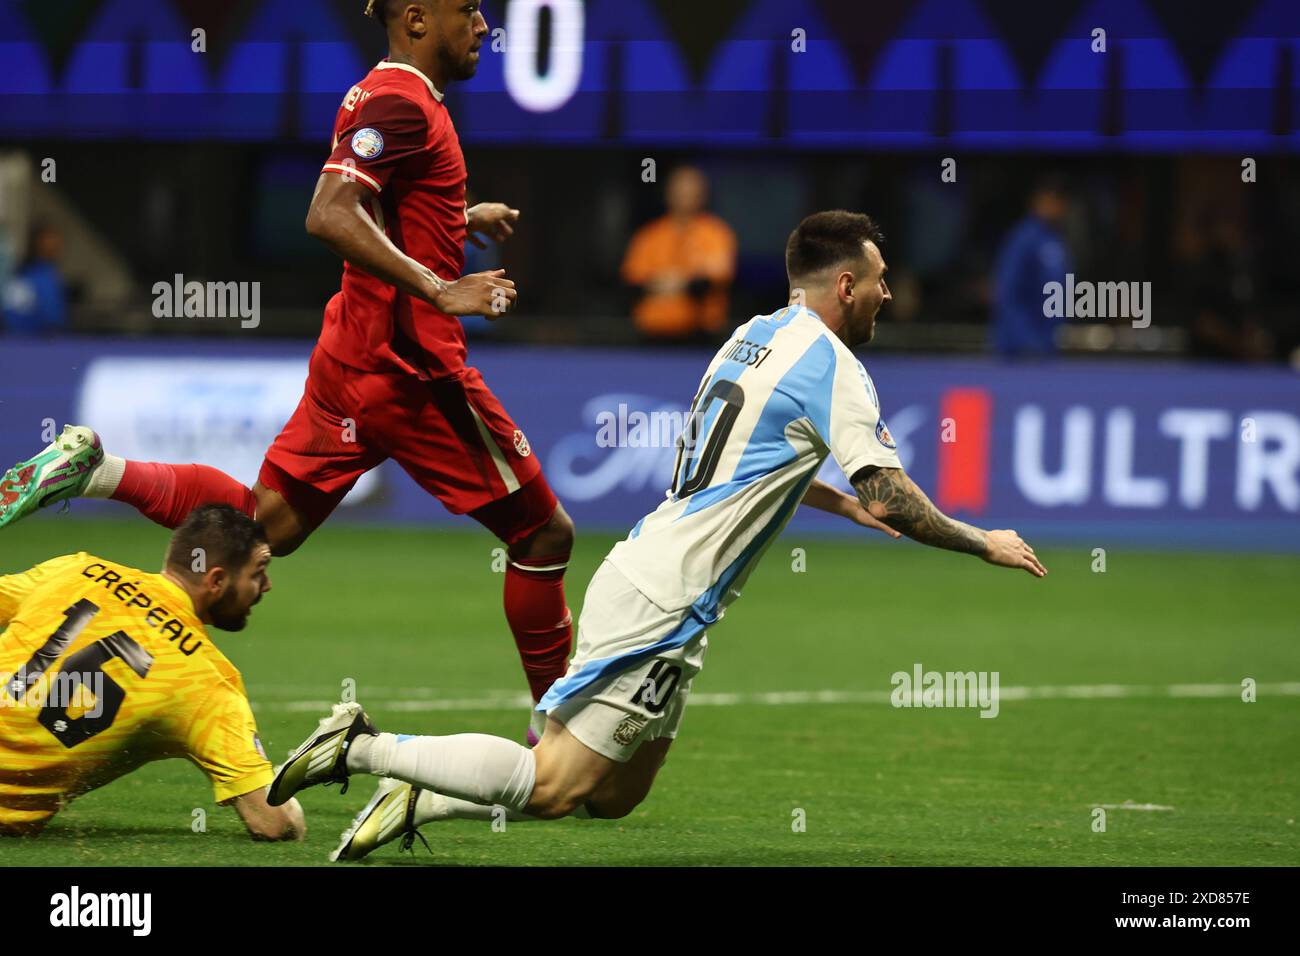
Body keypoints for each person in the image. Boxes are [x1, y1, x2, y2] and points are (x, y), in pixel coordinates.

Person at [266, 211, 1047, 861]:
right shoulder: (835, 365)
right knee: (555, 785)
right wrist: (981, 540)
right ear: (846, 285)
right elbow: (893, 490)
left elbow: (752, 461)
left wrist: (841, 508)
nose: (884, 294)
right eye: (877, 280)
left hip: (654, 578)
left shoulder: (755, 335)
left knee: (614, 798)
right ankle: (362, 745)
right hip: (665, 600)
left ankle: (422, 796)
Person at [0, 0, 575, 744]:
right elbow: (329, 213)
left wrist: (456, 219)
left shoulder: (390, 97)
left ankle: (97, 470)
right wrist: (440, 287)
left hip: (354, 356)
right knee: (543, 537)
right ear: (417, 19)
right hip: (410, 373)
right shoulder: (400, 104)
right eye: (466, 9)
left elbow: (381, 206)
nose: (484, 23)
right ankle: (560, 737)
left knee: (261, 527)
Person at [0, 504, 303, 840]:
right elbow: (275, 823)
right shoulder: (204, 679)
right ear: (216, 580)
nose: (267, 585)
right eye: (258, 572)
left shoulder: (76, 569)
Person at [621, 165, 737, 343]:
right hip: (651, 334)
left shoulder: (716, 234)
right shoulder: (649, 235)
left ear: (703, 195)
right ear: (668, 193)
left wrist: (677, 283)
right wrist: (674, 283)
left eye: (691, 191)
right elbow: (634, 281)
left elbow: (713, 280)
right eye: (680, 190)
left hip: (700, 336)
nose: (685, 196)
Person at [990, 175, 1072, 358]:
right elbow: (1006, 292)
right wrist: (1025, 341)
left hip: (1046, 346)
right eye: (1049, 198)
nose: (1054, 205)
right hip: (1019, 351)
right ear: (1036, 200)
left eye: (1058, 200)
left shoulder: (1057, 239)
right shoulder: (1023, 238)